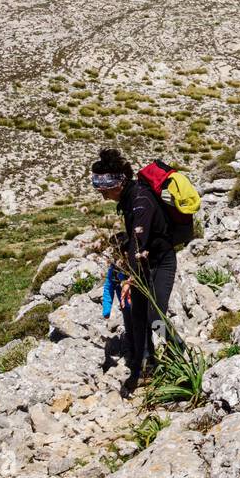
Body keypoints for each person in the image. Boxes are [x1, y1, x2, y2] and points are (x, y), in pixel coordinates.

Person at [91, 147, 179, 397]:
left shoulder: (140, 199)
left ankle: (177, 353)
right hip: (143, 266)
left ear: (117, 183)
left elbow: (140, 239)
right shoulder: (128, 199)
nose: (102, 195)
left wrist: (129, 277)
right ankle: (142, 369)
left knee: (155, 315)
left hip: (161, 262)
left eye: (104, 189)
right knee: (138, 317)